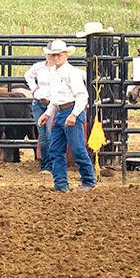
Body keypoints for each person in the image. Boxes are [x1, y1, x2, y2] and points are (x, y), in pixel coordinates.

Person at [38, 39, 95, 193]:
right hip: (60, 112)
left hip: (70, 111)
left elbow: (82, 96)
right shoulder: (56, 73)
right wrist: (48, 113)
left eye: (58, 55)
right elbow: (55, 98)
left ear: (65, 55)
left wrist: (74, 114)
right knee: (56, 150)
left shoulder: (72, 73)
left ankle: (88, 181)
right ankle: (61, 184)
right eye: (53, 55)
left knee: (77, 149)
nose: (55, 57)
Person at [25, 44, 56, 174]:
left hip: (52, 104)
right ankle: (47, 164)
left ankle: (49, 164)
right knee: (43, 135)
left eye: (52, 54)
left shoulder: (59, 69)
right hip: (39, 103)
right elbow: (28, 75)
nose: (50, 56)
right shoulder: (39, 67)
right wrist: (34, 88)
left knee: (48, 134)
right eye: (48, 54)